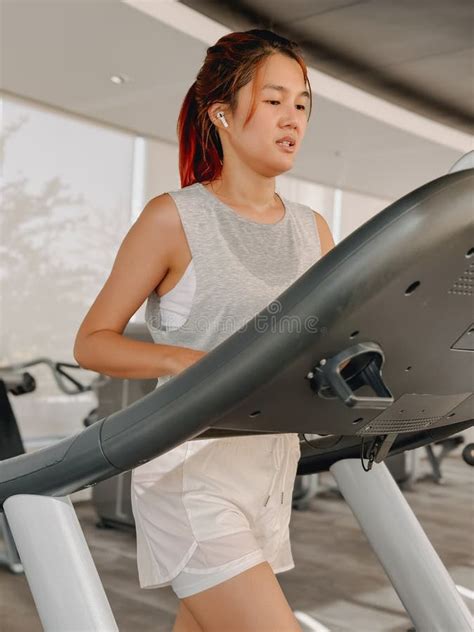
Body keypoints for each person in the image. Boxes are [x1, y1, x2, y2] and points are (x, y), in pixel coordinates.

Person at [74, 29, 335, 632]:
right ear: (222, 112)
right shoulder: (174, 218)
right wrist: (186, 361)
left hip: (270, 470)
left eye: (301, 103)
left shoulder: (312, 230)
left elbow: (322, 340)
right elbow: (93, 341)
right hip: (190, 475)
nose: (291, 117)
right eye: (273, 101)